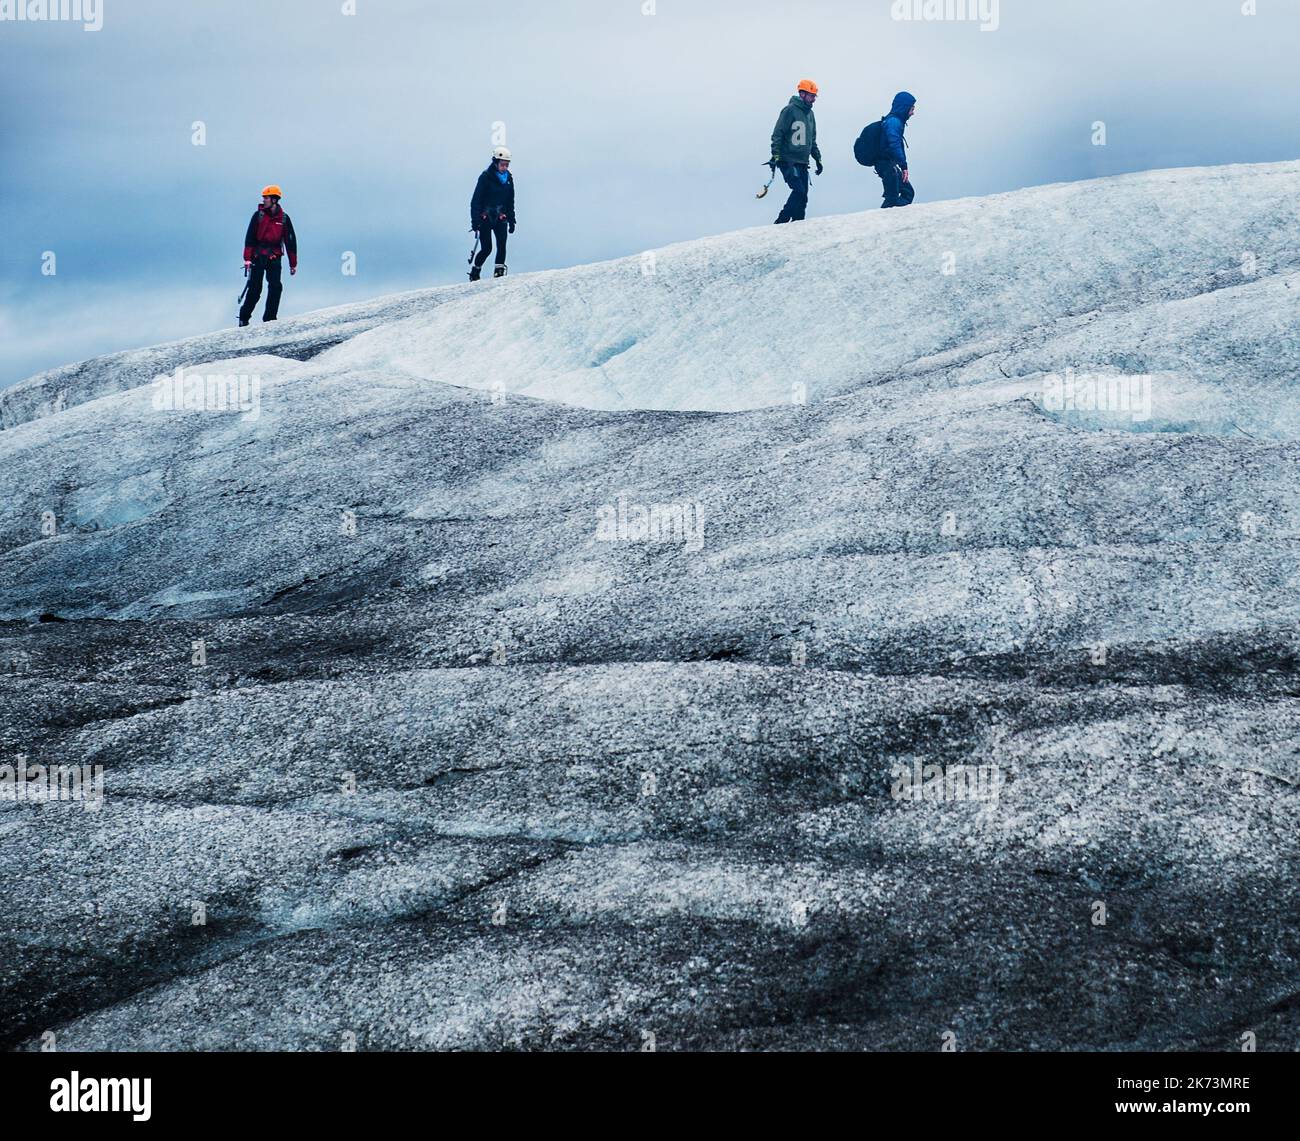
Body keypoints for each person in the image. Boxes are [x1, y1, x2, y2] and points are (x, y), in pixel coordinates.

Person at [239, 185, 298, 325]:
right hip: (258, 257)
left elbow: (290, 241)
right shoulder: (258, 216)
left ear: (274, 200)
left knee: (275, 287)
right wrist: (247, 258)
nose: (263, 200)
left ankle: (270, 319)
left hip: (275, 257)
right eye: (264, 197)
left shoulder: (284, 218)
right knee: (255, 289)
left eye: (266, 197)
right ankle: (244, 318)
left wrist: (293, 264)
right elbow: (250, 238)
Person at [768, 79, 823, 224]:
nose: (813, 99)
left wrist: (818, 159)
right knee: (799, 192)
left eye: (814, 96)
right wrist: (776, 155)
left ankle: (798, 227)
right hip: (787, 160)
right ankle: (781, 222)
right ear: (802, 94)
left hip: (803, 162)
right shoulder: (789, 110)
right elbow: (777, 134)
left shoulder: (810, 115)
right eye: (811, 96)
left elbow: (812, 140)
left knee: (803, 197)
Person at [470, 147, 516, 280]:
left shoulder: (509, 179)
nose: (505, 167)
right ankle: (475, 270)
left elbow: (510, 201)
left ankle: (499, 272)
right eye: (502, 164)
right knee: (487, 248)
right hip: (485, 218)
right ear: (495, 163)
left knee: (502, 245)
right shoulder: (485, 177)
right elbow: (476, 200)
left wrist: (512, 220)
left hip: (501, 216)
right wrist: (475, 221)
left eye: (507, 164)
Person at [875, 92, 917, 209]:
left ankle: (894, 221)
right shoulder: (893, 122)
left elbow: (898, 145)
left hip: (890, 164)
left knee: (908, 192)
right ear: (904, 107)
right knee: (892, 199)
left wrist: (903, 166)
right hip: (885, 164)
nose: (913, 113)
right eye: (912, 109)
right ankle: (882, 222)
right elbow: (894, 145)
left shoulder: (897, 122)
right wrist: (903, 166)